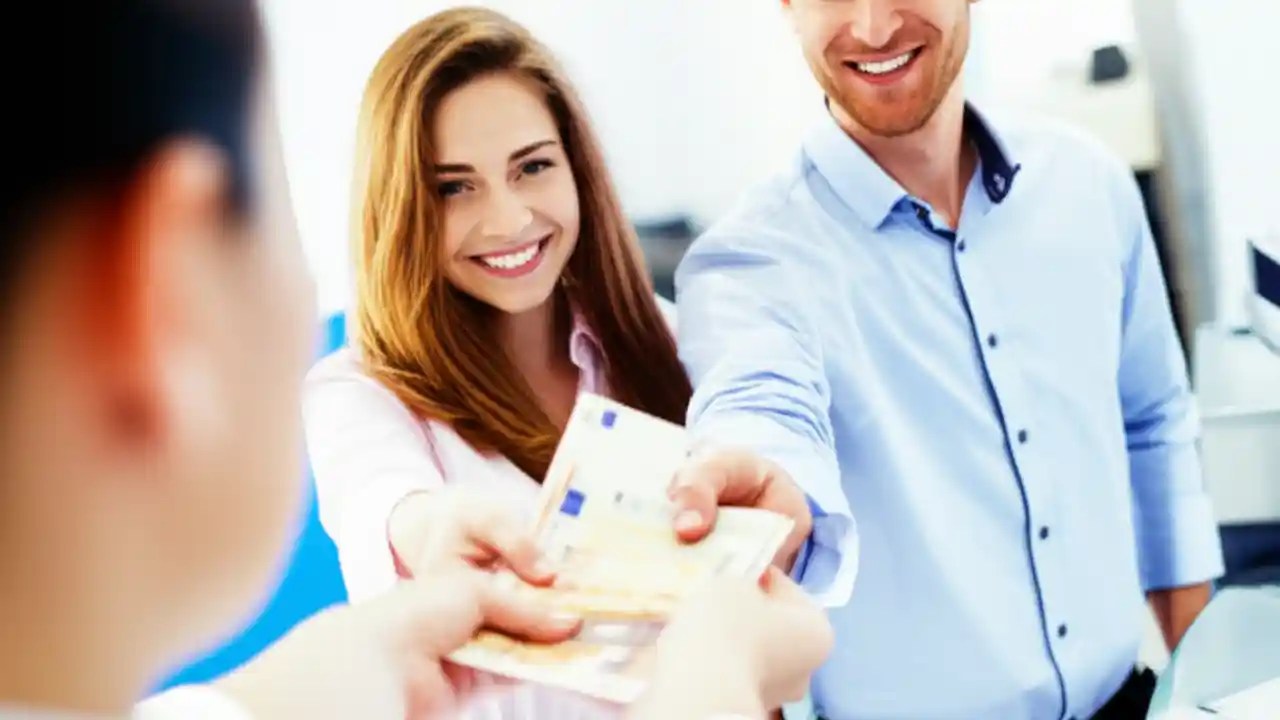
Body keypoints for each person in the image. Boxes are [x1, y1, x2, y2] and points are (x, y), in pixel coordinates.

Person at [0, 1, 832, 718]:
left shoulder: (670, 340)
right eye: (453, 187)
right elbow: (395, 511)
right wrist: (718, 668)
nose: (507, 219)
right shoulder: (359, 391)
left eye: (533, 168)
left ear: (578, 170)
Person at [670, 0, 1225, 718]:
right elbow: (758, 410)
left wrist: (1203, 687)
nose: (872, 27)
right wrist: (766, 479)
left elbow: (1153, 426)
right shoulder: (749, 265)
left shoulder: (1090, 185)